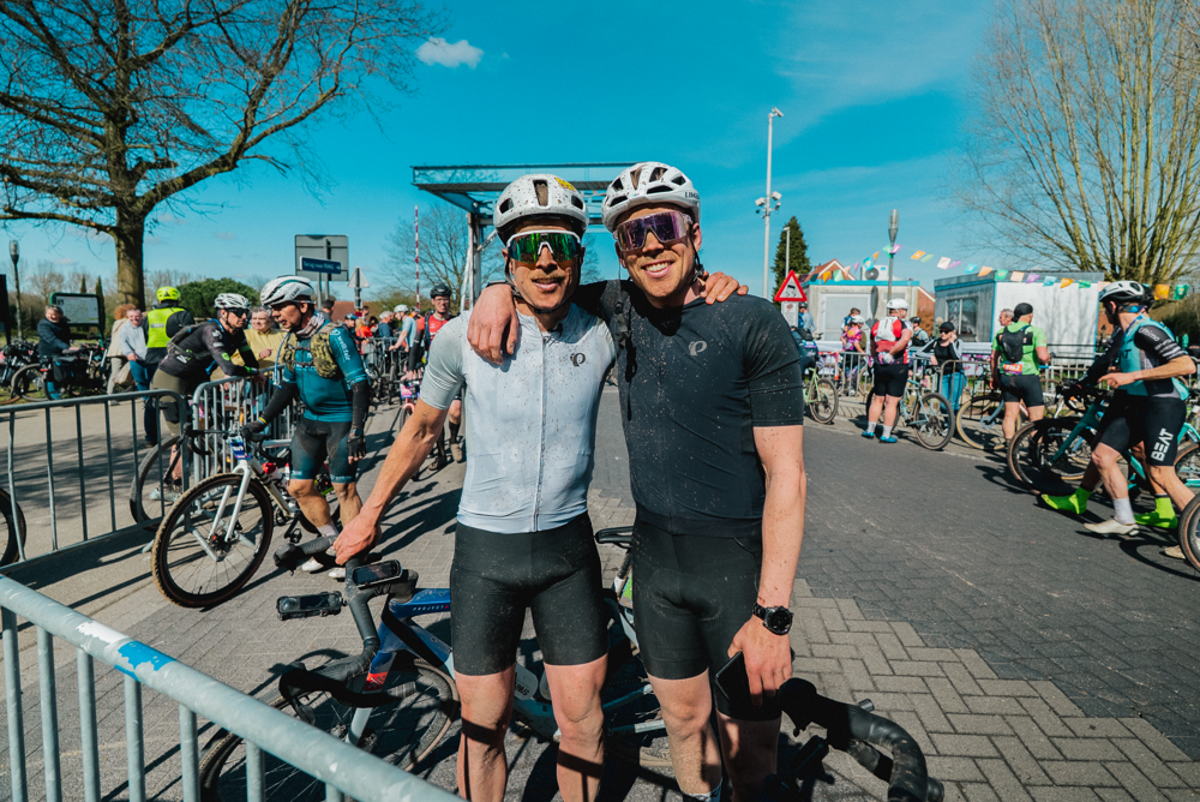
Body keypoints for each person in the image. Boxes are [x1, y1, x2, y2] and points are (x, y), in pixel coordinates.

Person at [463, 161, 805, 802]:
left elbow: (788, 474)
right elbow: (543, 277)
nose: (650, 244)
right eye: (631, 234)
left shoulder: (752, 320)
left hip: (735, 568)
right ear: (620, 251)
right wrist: (494, 290)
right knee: (684, 725)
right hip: (657, 568)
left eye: (664, 226)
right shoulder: (615, 307)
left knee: (753, 754)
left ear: (694, 232)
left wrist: (774, 616)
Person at [334, 174, 624, 802]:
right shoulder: (459, 336)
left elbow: (663, 294)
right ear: (506, 259)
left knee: (582, 723)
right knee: (483, 723)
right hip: (486, 554)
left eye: (560, 246)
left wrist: (716, 282)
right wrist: (369, 514)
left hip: (567, 553)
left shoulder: (600, 332)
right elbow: (420, 430)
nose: (544, 262)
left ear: (579, 255)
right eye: (527, 249)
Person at [1043, 283, 1195, 557]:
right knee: (1102, 456)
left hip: (1162, 406)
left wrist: (1130, 376)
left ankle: (1196, 536)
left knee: (1161, 472)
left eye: (1106, 307)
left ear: (1114, 306)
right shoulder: (1125, 334)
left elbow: (1186, 365)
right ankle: (1124, 518)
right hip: (1135, 405)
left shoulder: (1147, 330)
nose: (1105, 311)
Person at [245, 276, 370, 576]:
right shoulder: (292, 339)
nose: (274, 314)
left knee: (344, 489)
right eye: (271, 308)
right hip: (310, 421)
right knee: (299, 488)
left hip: (341, 421)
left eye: (279, 307)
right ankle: (334, 543)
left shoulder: (334, 335)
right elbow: (287, 387)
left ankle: (355, 558)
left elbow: (360, 383)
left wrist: (357, 430)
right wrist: (261, 420)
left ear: (302, 306)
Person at [150, 294, 258, 436]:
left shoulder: (237, 333)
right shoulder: (211, 330)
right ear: (223, 313)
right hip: (172, 376)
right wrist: (253, 372)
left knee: (216, 418)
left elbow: (251, 362)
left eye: (246, 312)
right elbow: (229, 368)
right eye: (239, 312)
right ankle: (177, 449)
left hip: (197, 377)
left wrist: (254, 370)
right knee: (181, 432)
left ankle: (210, 447)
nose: (244, 317)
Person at [407, 284, 462, 461]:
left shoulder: (457, 321)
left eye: (445, 299)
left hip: (454, 372)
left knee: (455, 411)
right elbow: (415, 347)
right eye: (439, 300)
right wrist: (411, 369)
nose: (442, 303)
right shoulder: (424, 321)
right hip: (434, 374)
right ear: (433, 301)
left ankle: (453, 441)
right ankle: (441, 452)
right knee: (436, 416)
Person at [990, 302, 1050, 443]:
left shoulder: (1001, 333)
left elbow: (993, 357)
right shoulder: (1036, 332)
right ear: (1030, 316)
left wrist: (994, 377)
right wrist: (1049, 357)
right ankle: (1034, 449)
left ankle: (1009, 447)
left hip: (1007, 377)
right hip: (1028, 377)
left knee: (1009, 415)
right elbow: (1042, 357)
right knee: (1036, 419)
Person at [863, 298, 913, 443]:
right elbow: (904, 340)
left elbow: (872, 344)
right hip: (898, 365)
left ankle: (870, 430)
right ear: (900, 311)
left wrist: (875, 357)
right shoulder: (904, 324)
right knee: (892, 402)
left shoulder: (877, 324)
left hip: (880, 365)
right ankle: (886, 434)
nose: (905, 313)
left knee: (878, 398)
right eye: (905, 310)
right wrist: (891, 353)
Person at [36, 305, 77, 399]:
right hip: (48, 352)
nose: (52, 316)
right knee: (51, 374)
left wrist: (86, 336)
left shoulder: (62, 323)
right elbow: (51, 339)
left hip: (62, 352)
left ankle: (65, 391)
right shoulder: (43, 325)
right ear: (45, 314)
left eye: (55, 314)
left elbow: (68, 335)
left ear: (60, 314)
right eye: (49, 314)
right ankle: (53, 395)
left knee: (64, 372)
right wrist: (67, 347)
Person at [929, 321, 965, 413]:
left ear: (952, 333)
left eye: (946, 331)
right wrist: (930, 356)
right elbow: (919, 352)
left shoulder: (958, 342)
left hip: (956, 374)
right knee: (942, 403)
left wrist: (951, 342)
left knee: (952, 403)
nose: (943, 333)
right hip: (943, 375)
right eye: (941, 331)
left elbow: (956, 357)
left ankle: (953, 421)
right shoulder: (936, 342)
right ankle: (949, 420)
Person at [113, 307, 150, 392]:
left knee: (150, 379)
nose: (134, 318)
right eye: (131, 316)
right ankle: (146, 398)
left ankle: (153, 397)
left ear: (141, 316)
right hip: (135, 358)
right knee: (140, 380)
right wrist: (129, 353)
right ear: (127, 317)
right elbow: (123, 342)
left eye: (137, 316)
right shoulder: (124, 328)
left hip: (149, 357)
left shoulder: (147, 326)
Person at [243, 308, 285, 373]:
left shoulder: (283, 335)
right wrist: (259, 355)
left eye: (261, 319)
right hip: (258, 377)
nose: (257, 322)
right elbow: (236, 359)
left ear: (271, 321)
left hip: (283, 376)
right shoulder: (243, 335)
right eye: (254, 319)